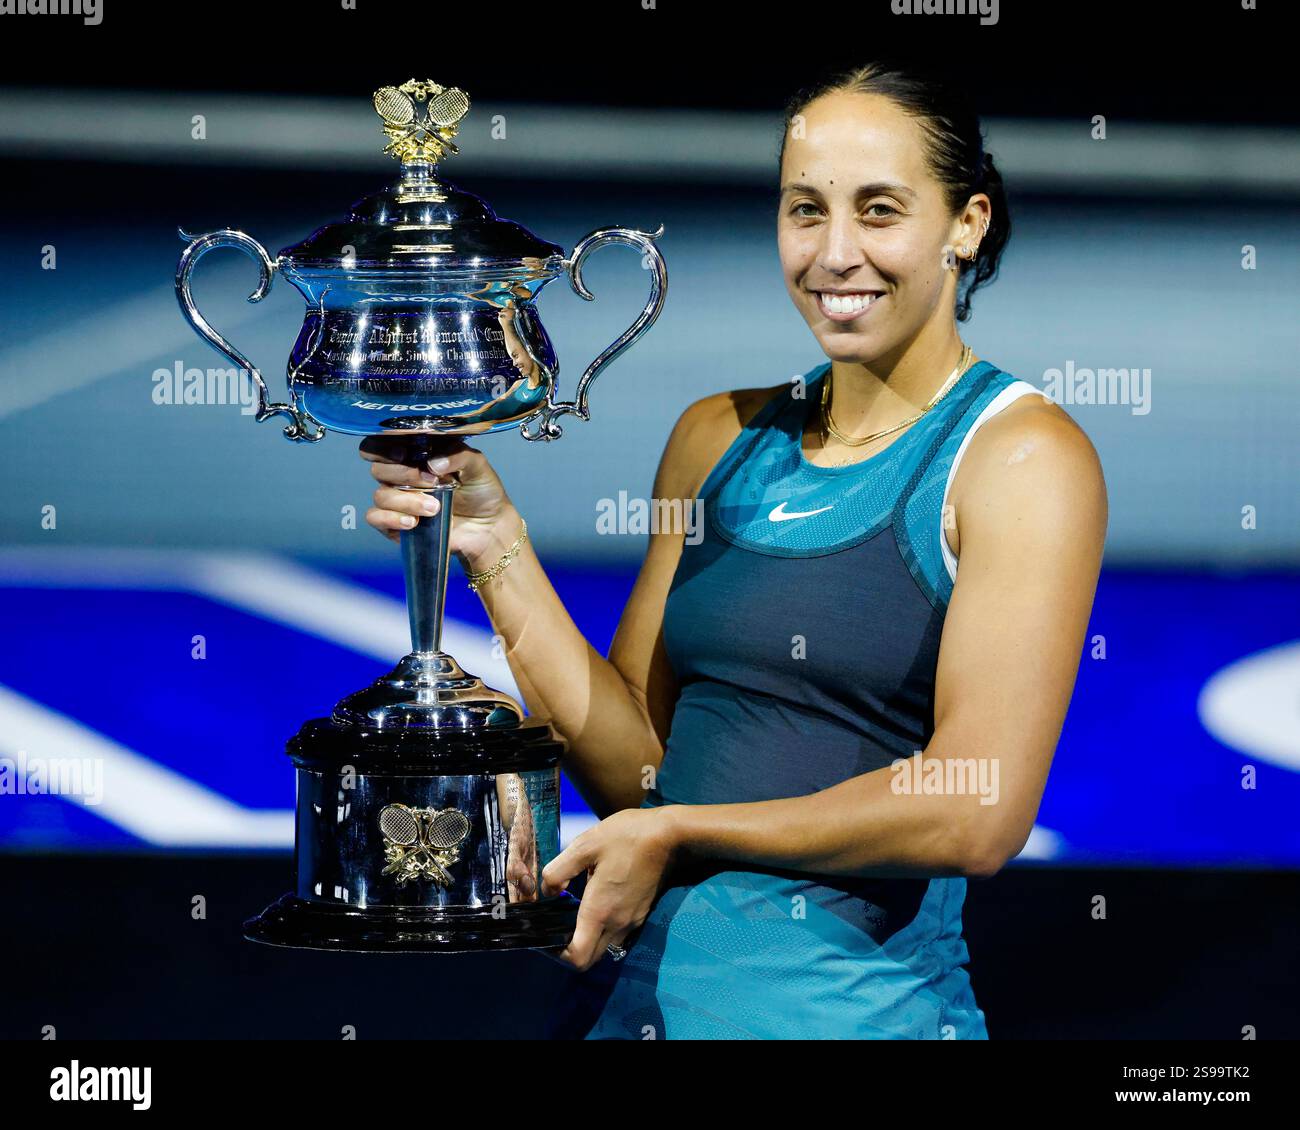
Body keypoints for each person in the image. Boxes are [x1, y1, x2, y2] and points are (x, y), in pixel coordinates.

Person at [359, 59, 1107, 1039]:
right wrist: (498, 545)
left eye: (878, 211)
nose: (835, 254)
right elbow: (635, 770)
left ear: (964, 223)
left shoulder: (1020, 457)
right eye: (805, 211)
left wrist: (681, 828)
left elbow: (977, 807)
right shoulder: (711, 438)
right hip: (622, 1013)